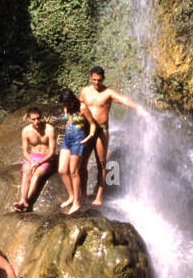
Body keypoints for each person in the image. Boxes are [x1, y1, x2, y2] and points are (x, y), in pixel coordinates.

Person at [78, 65, 149, 206]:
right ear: (90, 78)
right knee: (82, 162)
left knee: (101, 163)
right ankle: (83, 194)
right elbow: (79, 107)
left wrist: (138, 108)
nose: (96, 83)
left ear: (103, 79)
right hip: (86, 130)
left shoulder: (108, 92)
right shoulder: (85, 91)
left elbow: (123, 99)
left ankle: (99, 196)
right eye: (94, 80)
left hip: (101, 130)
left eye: (99, 80)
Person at [57, 88, 96, 216]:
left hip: (78, 141)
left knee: (74, 171)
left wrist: (90, 136)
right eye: (64, 103)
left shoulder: (82, 108)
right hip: (67, 139)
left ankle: (77, 202)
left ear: (72, 100)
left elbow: (92, 124)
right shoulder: (66, 107)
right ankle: (71, 196)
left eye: (67, 103)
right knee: (62, 170)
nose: (66, 106)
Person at [14, 106, 56, 212]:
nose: (37, 121)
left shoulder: (49, 129)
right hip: (32, 157)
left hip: (46, 158)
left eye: (38, 118)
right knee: (26, 173)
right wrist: (32, 162)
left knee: (36, 175)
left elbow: (52, 152)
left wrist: (38, 163)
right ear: (28, 119)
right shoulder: (26, 131)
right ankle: (22, 200)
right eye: (33, 119)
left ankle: (25, 202)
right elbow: (24, 151)